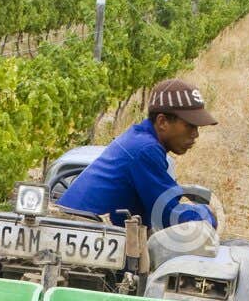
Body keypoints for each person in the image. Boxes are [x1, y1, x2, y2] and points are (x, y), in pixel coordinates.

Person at [55, 78, 217, 230]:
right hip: (82, 231)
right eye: (190, 126)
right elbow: (169, 216)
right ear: (162, 122)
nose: (195, 134)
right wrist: (206, 215)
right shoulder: (145, 149)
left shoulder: (139, 138)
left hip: (77, 226)